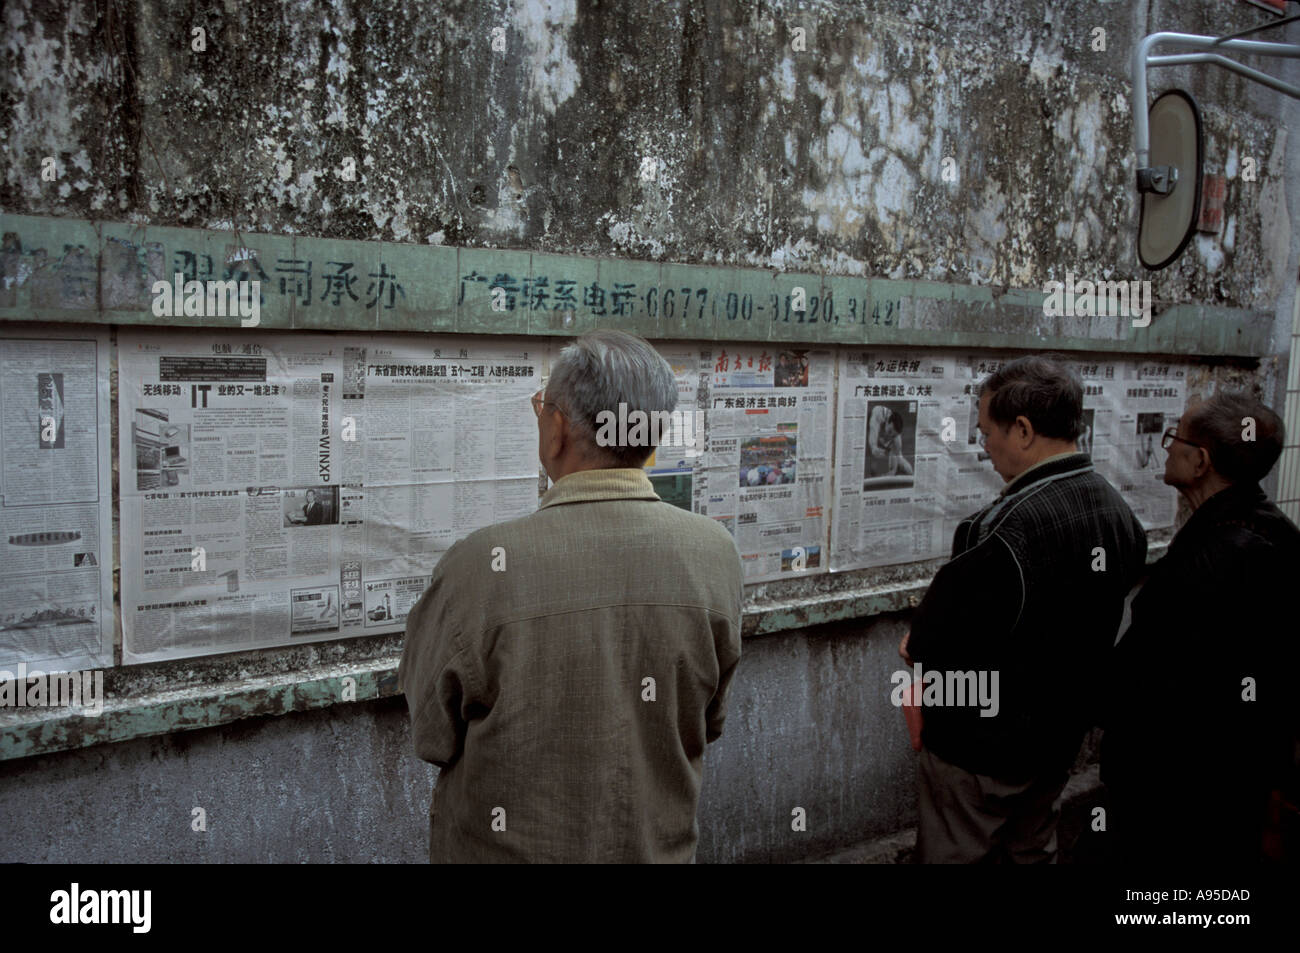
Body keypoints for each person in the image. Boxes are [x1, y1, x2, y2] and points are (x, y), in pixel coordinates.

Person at [398, 329, 744, 863]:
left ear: (556, 427)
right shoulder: (715, 553)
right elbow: (708, 720)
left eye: (543, 408)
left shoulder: (480, 565)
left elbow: (433, 735)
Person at [900, 355, 1147, 863]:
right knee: (1031, 851)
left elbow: (932, 642)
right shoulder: (1120, 515)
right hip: (1056, 744)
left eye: (987, 431)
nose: (984, 446)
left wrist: (917, 643)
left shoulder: (1002, 531)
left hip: (981, 753)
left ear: (1024, 430)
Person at [1104, 392, 1300, 864]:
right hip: (1240, 777)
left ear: (1201, 462)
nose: (1166, 447)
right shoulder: (1277, 532)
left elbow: (1144, 675)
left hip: (1180, 785)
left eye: (1175, 439)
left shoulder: (1210, 559)